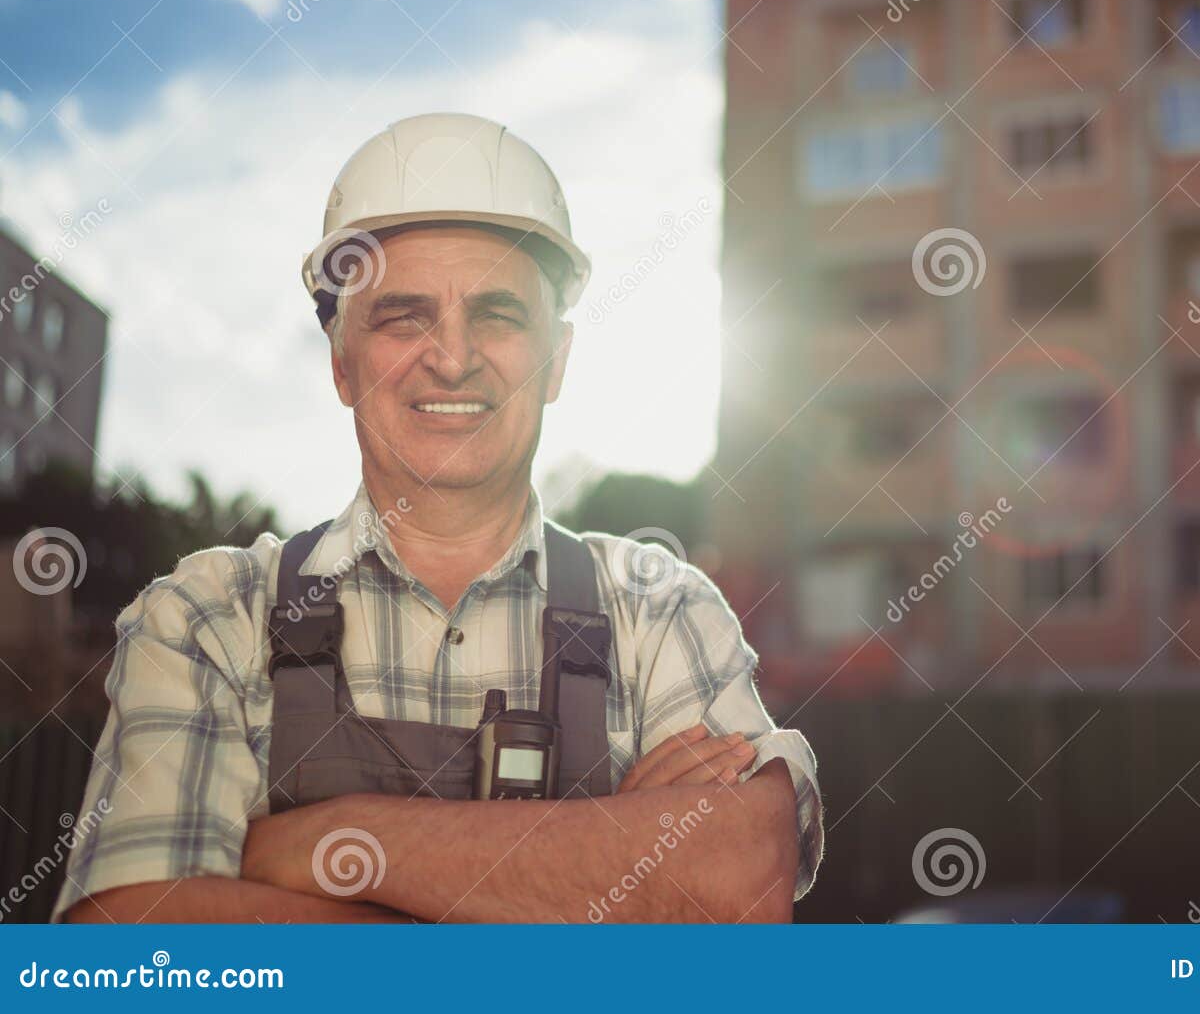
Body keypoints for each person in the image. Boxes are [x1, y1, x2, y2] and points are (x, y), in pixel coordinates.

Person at [54, 113, 822, 923]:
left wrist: (323, 842)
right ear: (343, 363)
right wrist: (600, 882)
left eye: (498, 313)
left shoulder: (660, 610)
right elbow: (134, 950)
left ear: (556, 361)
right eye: (404, 315)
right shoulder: (209, 616)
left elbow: (738, 876)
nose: (453, 357)